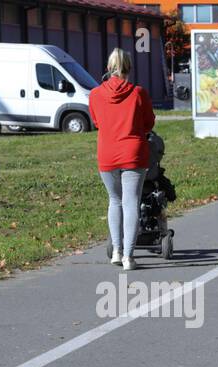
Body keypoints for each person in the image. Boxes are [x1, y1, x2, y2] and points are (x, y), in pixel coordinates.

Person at [88, 49, 155, 271]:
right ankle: (128, 256)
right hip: (133, 153)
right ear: (129, 68)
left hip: (107, 153)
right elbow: (149, 123)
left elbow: (97, 122)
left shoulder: (95, 94)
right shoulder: (138, 93)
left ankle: (116, 251)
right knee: (130, 203)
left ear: (108, 68)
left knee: (114, 201)